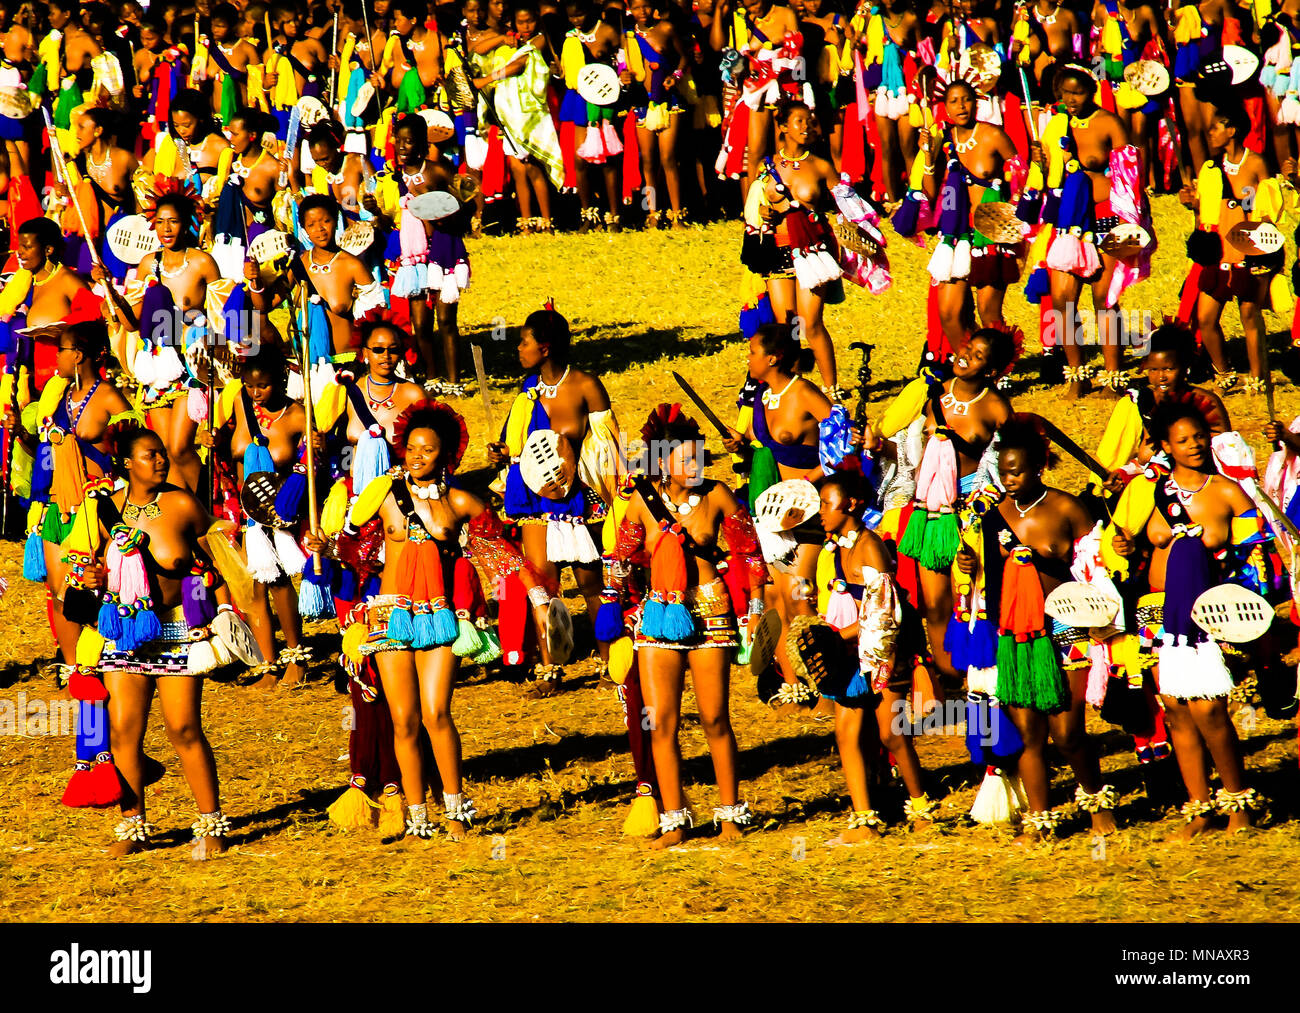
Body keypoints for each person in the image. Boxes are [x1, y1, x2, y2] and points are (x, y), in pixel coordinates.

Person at [309, 399, 484, 840]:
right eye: (412, 448)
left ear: (445, 455)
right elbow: (360, 553)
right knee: (403, 719)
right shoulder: (382, 497)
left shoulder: (459, 500)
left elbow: (497, 550)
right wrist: (327, 549)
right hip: (390, 615)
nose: (419, 456)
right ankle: (416, 814)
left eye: (429, 450)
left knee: (436, 713)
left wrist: (538, 600)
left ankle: (456, 810)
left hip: (440, 615)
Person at [78, 426, 248, 859]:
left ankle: (212, 822)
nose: (160, 461)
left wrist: (220, 613)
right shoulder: (104, 508)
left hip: (175, 630)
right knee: (124, 732)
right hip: (122, 631)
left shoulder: (182, 504)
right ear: (127, 462)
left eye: (161, 454)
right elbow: (89, 566)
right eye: (149, 455)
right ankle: (133, 825)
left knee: (184, 728)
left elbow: (219, 562)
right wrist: (94, 578)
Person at [1108, 403, 1269, 837]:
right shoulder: (1151, 491)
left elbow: (1255, 560)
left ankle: (1238, 801)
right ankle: (1199, 807)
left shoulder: (1230, 492)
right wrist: (1127, 549)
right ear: (1165, 446)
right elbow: (1136, 544)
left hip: (1207, 612)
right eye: (1183, 440)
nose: (1194, 445)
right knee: (1176, 709)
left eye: (1199, 436)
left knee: (1211, 709)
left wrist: (1240, 618)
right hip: (1156, 611)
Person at [958, 419, 1118, 842]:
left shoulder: (1067, 509)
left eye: (1018, 472)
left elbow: (1096, 571)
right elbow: (984, 575)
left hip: (1065, 627)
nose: (1009, 481)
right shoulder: (992, 518)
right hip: (1012, 631)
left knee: (1067, 734)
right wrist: (970, 566)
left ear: (1039, 468)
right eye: (1004, 472)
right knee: (1029, 732)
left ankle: (1096, 801)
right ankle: (1040, 819)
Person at [616, 405, 761, 846]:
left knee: (715, 717)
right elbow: (622, 557)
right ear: (661, 462)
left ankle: (731, 813)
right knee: (661, 722)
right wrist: (619, 607)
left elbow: (750, 553)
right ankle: (674, 820)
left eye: (698, 456)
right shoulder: (640, 502)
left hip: (710, 611)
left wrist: (754, 607)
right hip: (659, 613)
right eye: (685, 458)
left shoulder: (718, 495)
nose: (695, 465)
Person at [485, 303, 625, 693]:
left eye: (524, 342)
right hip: (535, 504)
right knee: (541, 587)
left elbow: (609, 448)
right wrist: (502, 456)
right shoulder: (524, 396)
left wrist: (599, 489)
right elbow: (519, 451)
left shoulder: (585, 386)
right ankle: (551, 669)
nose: (518, 349)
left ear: (544, 348)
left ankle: (607, 662)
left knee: (592, 586)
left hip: (581, 501)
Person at [869, 326, 1016, 681]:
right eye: (968, 347)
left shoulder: (996, 408)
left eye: (979, 355)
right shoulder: (932, 392)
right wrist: (880, 448)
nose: (966, 355)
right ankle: (947, 674)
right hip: (928, 510)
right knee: (935, 603)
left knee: (968, 596)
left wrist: (986, 503)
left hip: (971, 510)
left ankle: (978, 675)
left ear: (992, 371)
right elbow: (910, 450)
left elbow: (1009, 463)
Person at [723, 323, 854, 707]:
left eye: (751, 352)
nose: (748, 359)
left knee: (802, 595)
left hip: (809, 511)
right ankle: (795, 684)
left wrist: (809, 485)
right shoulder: (764, 396)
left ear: (772, 358)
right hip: (774, 512)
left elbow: (844, 445)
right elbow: (764, 448)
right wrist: (742, 445)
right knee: (778, 600)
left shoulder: (804, 394)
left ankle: (829, 682)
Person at [813, 469, 939, 840]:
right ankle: (864, 819)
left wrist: (840, 636)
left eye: (825, 503)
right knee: (846, 733)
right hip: (852, 651)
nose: (820, 511)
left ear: (851, 504)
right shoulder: (837, 545)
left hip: (884, 652)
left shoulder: (869, 546)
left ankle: (922, 808)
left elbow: (883, 611)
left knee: (891, 735)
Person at [1022, 62, 1152, 399]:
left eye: (1077, 92)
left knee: (1103, 300)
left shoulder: (1109, 123)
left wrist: (1132, 223)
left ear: (1091, 92)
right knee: (1063, 302)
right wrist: (1041, 161)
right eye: (1065, 92)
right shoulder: (1054, 125)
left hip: (1106, 218)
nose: (1071, 98)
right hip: (1068, 223)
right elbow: (1047, 178)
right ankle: (1077, 374)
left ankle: (1112, 377)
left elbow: (1129, 178)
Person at [98, 179, 225, 493]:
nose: (167, 228)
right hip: (156, 368)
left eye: (174, 221)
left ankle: (206, 507)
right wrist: (111, 291)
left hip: (191, 368)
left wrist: (219, 366)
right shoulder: (146, 265)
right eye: (161, 222)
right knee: (166, 454)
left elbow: (224, 315)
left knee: (182, 447)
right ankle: (183, 514)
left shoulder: (202, 263)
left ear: (186, 224)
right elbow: (132, 324)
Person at [201, 344, 312, 687]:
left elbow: (310, 459)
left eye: (262, 385)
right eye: (249, 385)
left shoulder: (297, 416)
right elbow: (232, 447)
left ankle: (296, 657)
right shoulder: (241, 404)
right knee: (253, 586)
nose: (255, 392)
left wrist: (311, 454)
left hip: (275, 509)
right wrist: (214, 440)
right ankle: (267, 663)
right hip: (237, 506)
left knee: (278, 581)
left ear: (279, 380)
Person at [1178, 104, 1285, 393]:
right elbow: (1206, 209)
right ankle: (1224, 372)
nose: (1210, 133)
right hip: (1217, 252)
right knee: (1206, 318)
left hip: (1247, 251)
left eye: (1215, 127)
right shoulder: (1211, 168)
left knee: (1250, 316)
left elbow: (1269, 209)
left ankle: (1258, 377)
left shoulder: (1257, 164)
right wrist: (1192, 201)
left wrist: (1265, 250)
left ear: (1232, 130)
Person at [913, 78, 1023, 354]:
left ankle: (999, 371)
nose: (961, 106)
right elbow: (930, 192)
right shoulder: (942, 140)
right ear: (945, 108)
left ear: (976, 102)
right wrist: (927, 157)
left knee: (989, 313)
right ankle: (966, 362)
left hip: (991, 232)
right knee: (950, 313)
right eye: (954, 101)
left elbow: (1022, 177)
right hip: (957, 233)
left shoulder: (993, 135)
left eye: (967, 99)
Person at [366, 113, 470, 390]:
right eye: (398, 141)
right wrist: (376, 211)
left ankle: (454, 381)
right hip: (413, 258)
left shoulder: (438, 171)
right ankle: (432, 377)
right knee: (421, 324)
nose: (401, 147)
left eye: (409, 142)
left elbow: (467, 204)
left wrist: (443, 217)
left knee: (447, 320)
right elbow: (390, 223)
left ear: (422, 145)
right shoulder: (391, 178)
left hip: (444, 251)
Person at [1094, 322, 1229, 496]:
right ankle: (1095, 494)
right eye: (1153, 370)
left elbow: (1226, 453)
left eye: (1168, 369)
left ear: (1185, 366)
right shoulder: (1148, 401)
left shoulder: (1205, 402)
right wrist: (1123, 474)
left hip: (1199, 482)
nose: (1161, 377)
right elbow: (1145, 453)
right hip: (1154, 475)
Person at [477, 1, 566, 233]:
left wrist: (486, 80)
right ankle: (525, 222)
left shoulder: (539, 40)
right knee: (517, 170)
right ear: (513, 23)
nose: (526, 26)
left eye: (530, 21)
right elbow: (478, 50)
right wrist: (501, 39)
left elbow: (518, 65)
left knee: (534, 168)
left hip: (530, 115)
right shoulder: (511, 40)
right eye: (521, 22)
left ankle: (546, 221)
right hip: (511, 114)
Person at [625, 0, 691, 229]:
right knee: (648, 161)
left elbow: (684, 56)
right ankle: (651, 212)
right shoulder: (627, 37)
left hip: (668, 100)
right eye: (636, 7)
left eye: (645, 6)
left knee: (668, 158)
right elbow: (623, 66)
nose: (641, 12)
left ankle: (677, 214)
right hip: (642, 103)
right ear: (630, 9)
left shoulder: (666, 29)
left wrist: (677, 75)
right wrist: (624, 77)